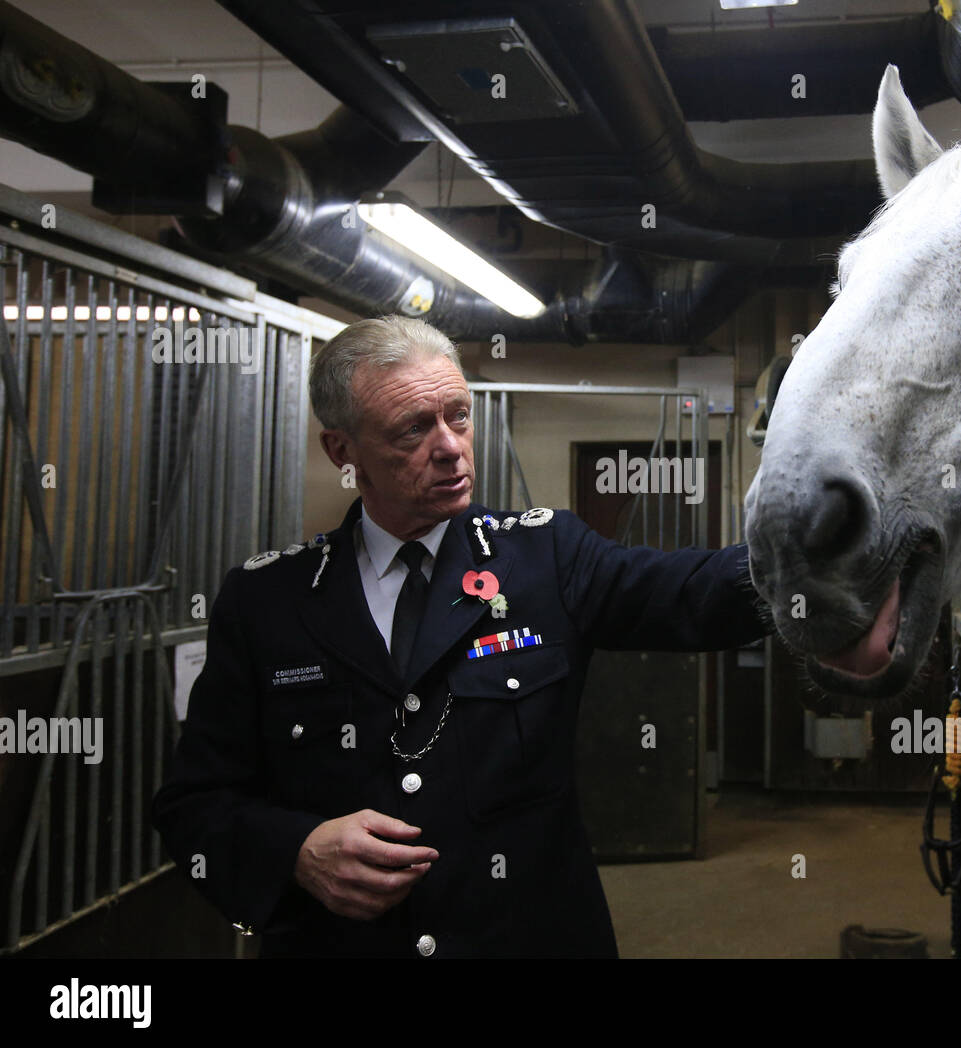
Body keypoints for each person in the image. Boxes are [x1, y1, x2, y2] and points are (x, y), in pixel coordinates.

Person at [151, 315, 771, 958]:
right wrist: (298, 851)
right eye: (413, 428)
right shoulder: (267, 603)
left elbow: (695, 590)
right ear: (342, 450)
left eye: (459, 416)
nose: (449, 446)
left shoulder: (545, 556)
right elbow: (194, 804)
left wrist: (833, 554)